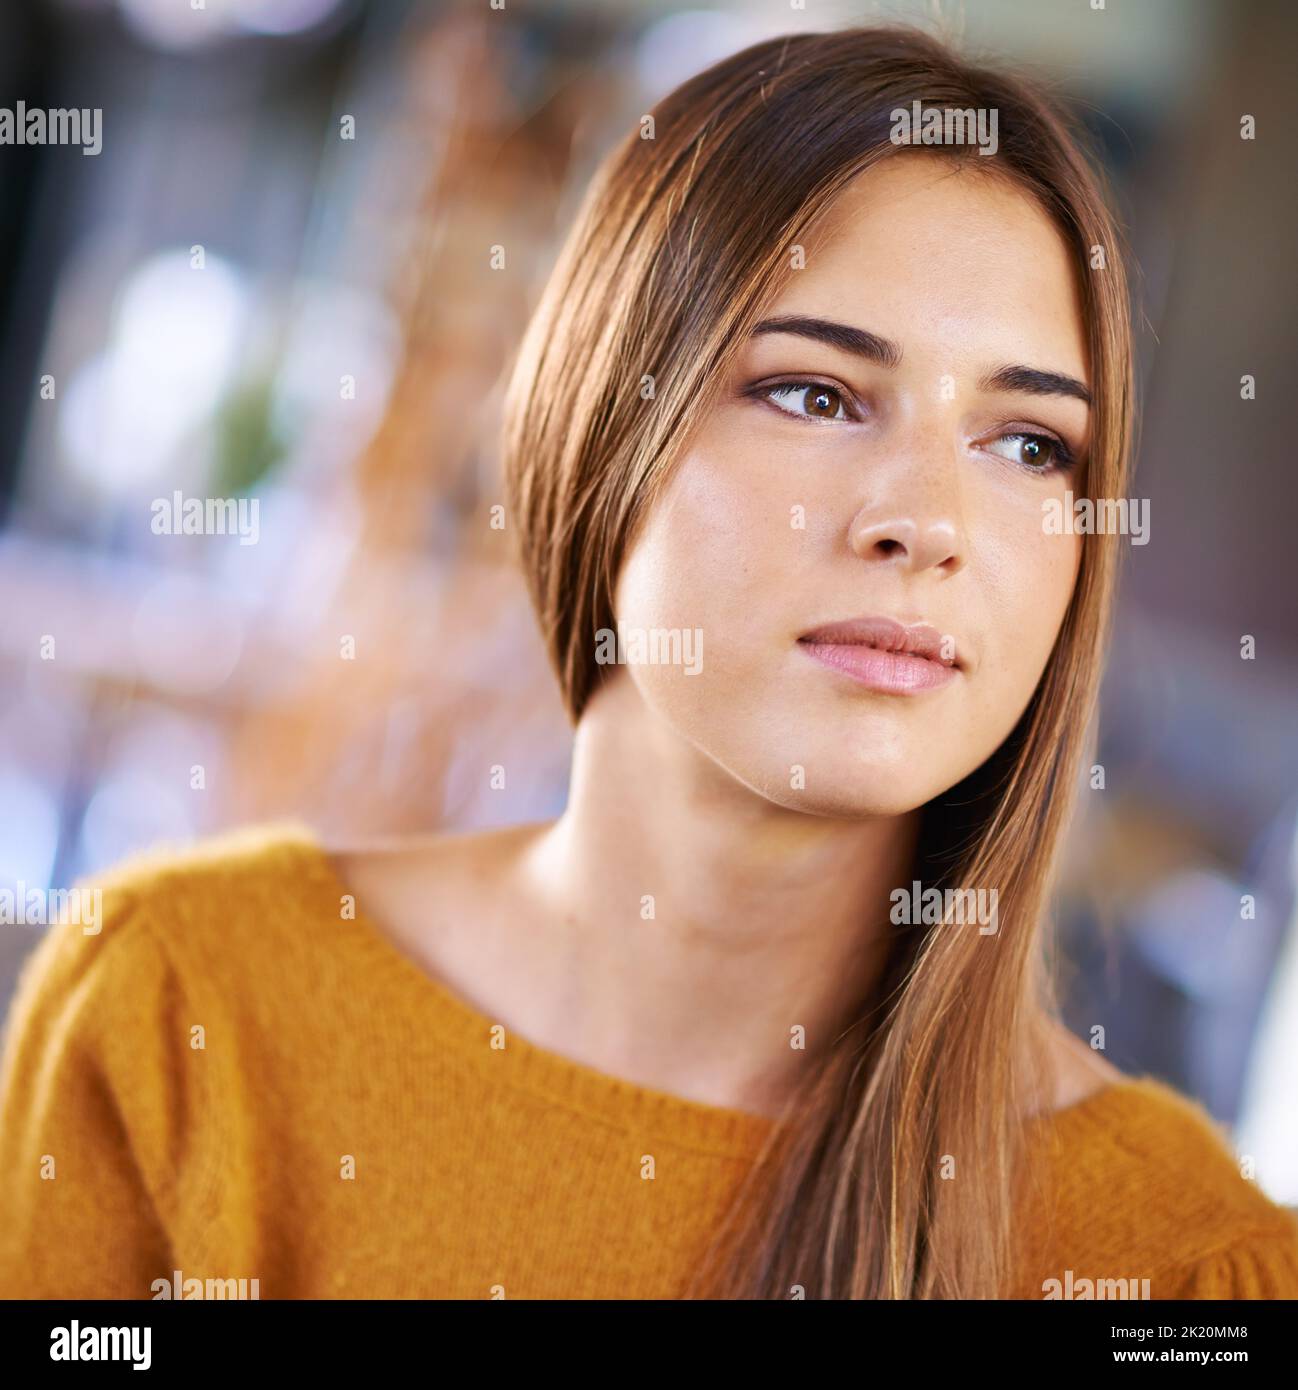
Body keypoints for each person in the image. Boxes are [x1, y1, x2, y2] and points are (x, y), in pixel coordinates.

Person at [2, 24, 1295, 1300]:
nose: (929, 523)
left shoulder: (1178, 1260)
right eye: (815, 393)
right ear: (596, 435)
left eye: (1027, 444)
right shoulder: (179, 1002)